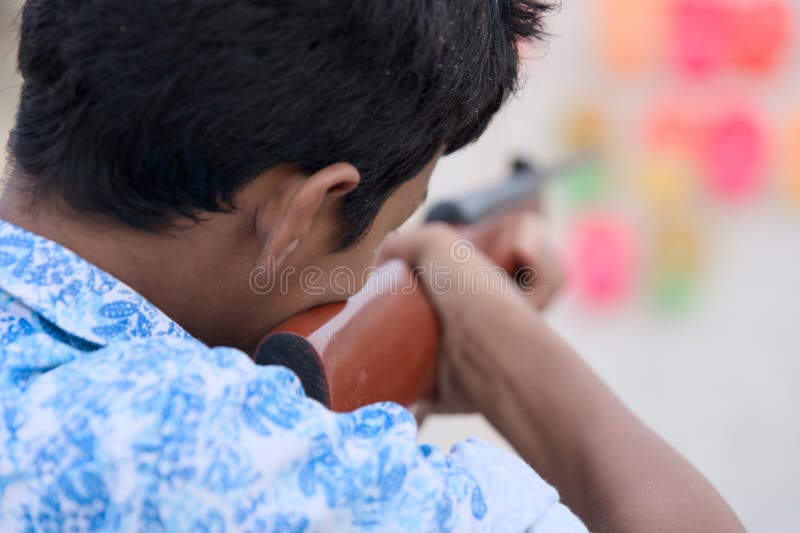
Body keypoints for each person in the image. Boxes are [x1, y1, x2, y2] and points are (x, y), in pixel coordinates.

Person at [0, 1, 744, 531]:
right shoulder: (205, 450)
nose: (374, 259)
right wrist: (500, 343)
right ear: (302, 211)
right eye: (396, 221)